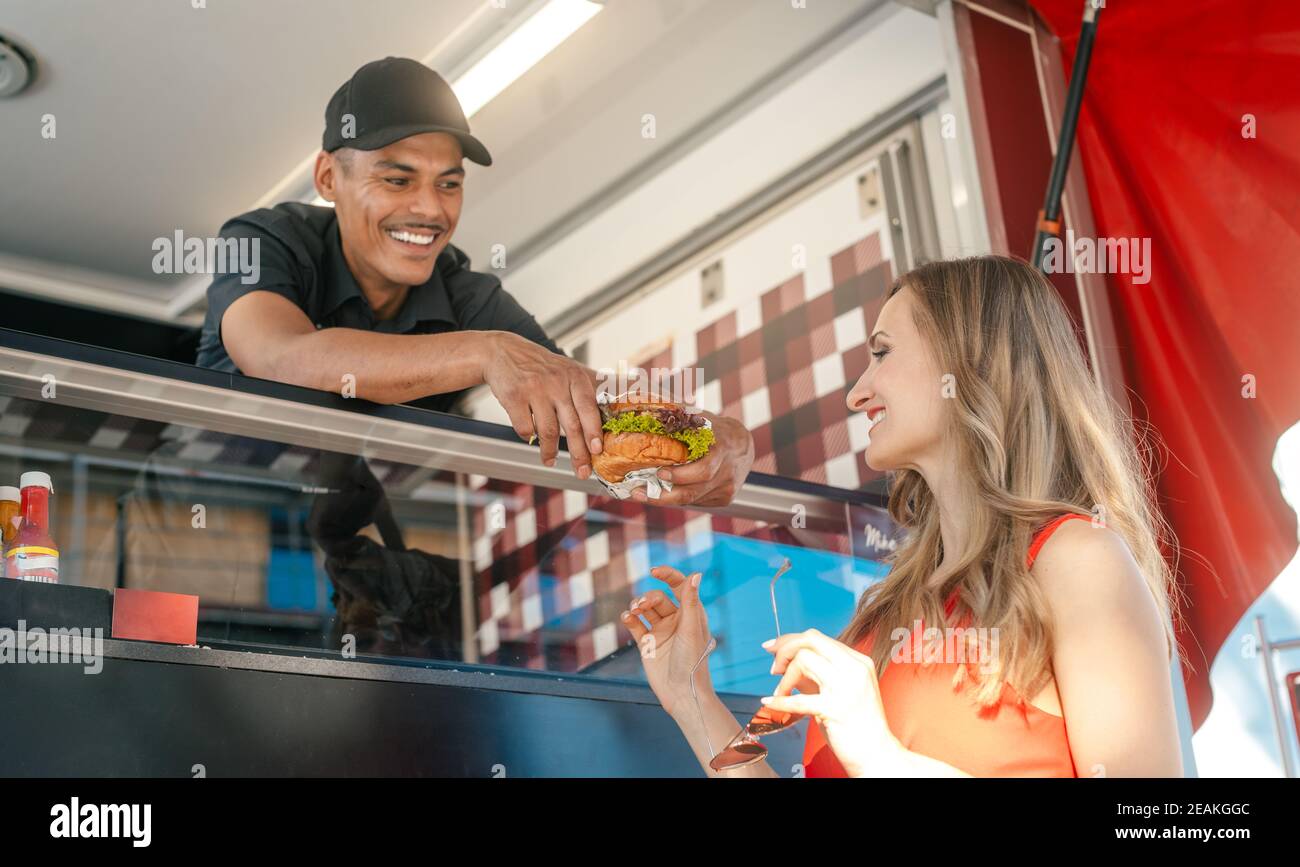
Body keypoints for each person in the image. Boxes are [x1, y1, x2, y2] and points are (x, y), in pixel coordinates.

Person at [623, 256, 1186, 777]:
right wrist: (690, 693)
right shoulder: (886, 612)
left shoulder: (1077, 559)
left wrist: (881, 757)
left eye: (882, 352)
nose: (856, 394)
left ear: (971, 360)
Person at [195, 57, 753, 507]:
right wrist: (484, 352)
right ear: (327, 178)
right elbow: (276, 355)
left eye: (449, 184)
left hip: (341, 549)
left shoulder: (465, 292)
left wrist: (714, 434)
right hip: (198, 509)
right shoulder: (266, 239)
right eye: (397, 179)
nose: (428, 209)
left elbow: (588, 400)